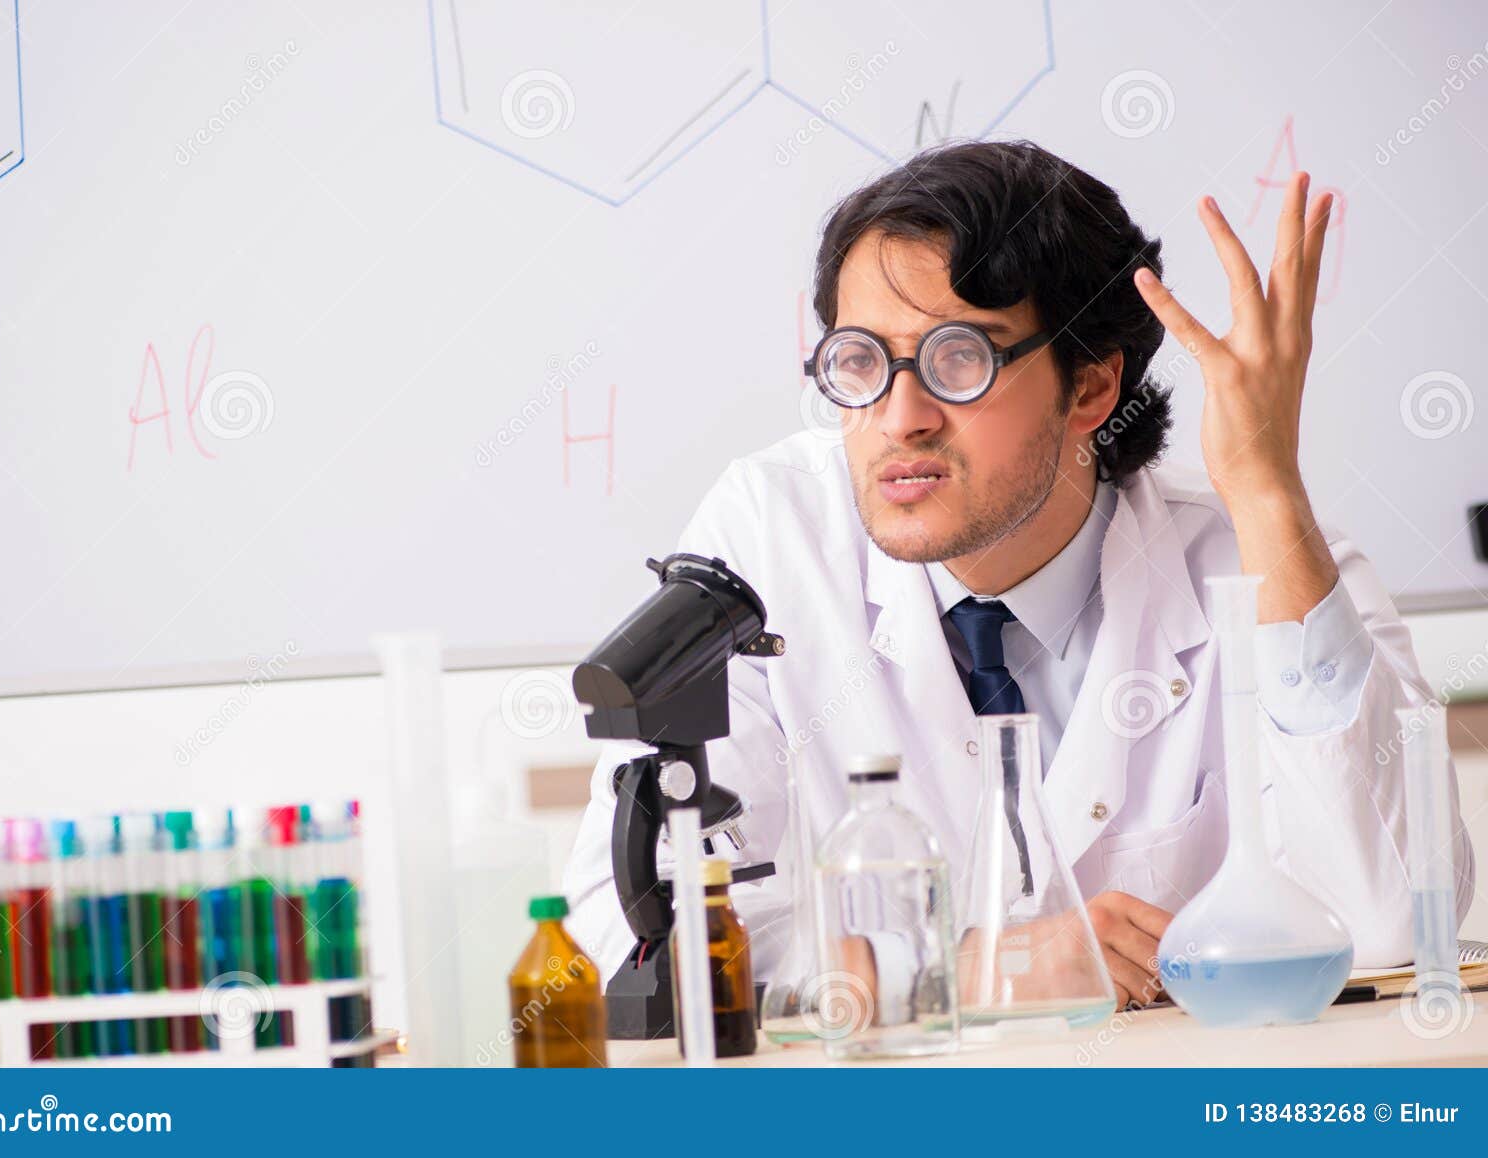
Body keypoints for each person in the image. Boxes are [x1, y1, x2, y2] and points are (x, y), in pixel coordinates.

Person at [562, 140, 1475, 1010]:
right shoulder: (769, 534)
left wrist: (1269, 488)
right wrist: (971, 970)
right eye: (860, 361)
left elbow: (1396, 916)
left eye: (960, 357)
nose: (900, 416)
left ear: (1089, 390)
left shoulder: (1263, 562)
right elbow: (634, 933)